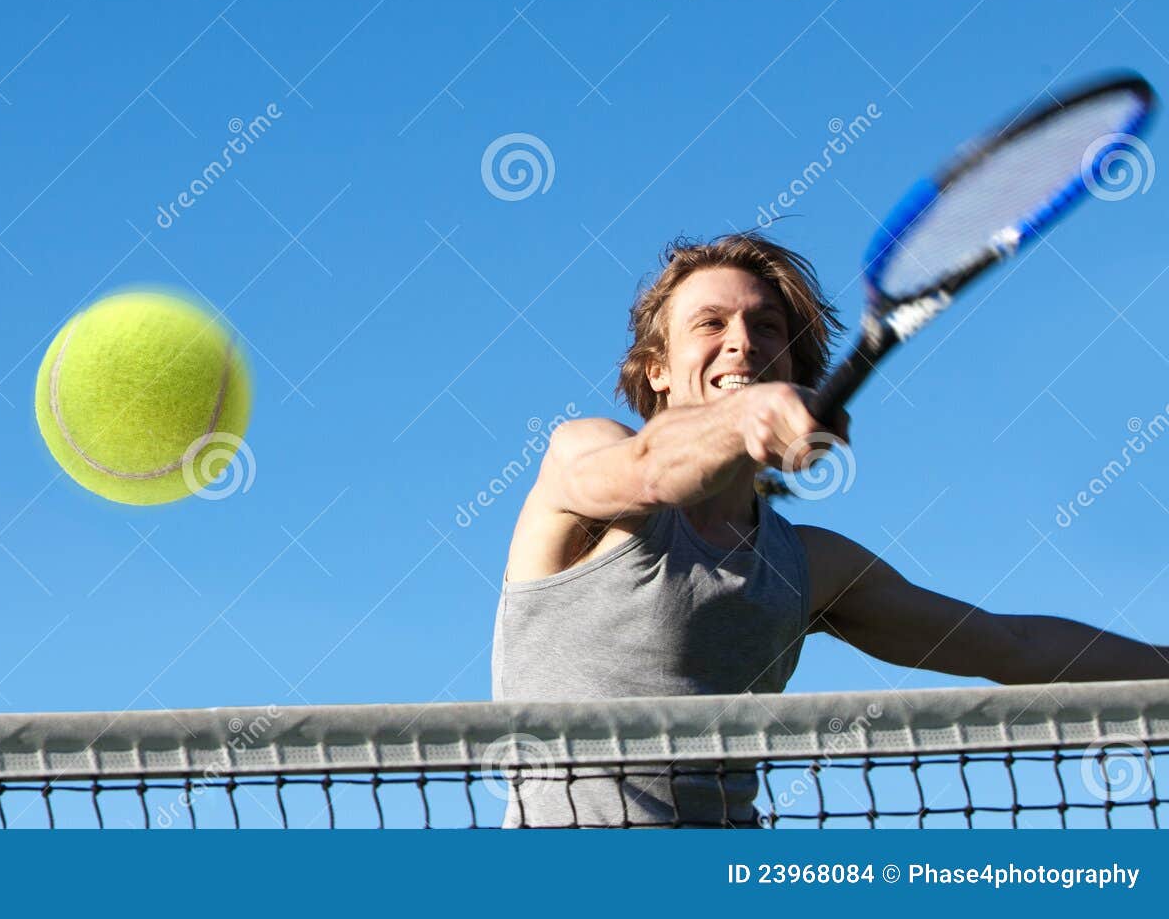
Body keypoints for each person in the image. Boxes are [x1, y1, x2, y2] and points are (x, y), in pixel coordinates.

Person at [492, 232, 1169, 827]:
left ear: (792, 366)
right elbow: (647, 467)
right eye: (710, 322)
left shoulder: (810, 565)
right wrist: (743, 419)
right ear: (658, 368)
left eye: (764, 326)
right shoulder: (583, 457)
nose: (741, 341)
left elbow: (1011, 645)